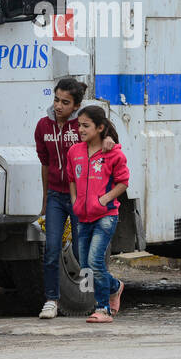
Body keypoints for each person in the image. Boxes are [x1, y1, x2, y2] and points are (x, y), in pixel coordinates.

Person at [33, 79, 114, 319]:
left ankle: (111, 289)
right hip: (56, 197)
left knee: (84, 255)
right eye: (56, 99)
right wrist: (45, 200)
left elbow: (105, 139)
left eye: (65, 102)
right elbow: (45, 164)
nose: (58, 106)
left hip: (81, 197)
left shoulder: (82, 126)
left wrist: (108, 140)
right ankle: (51, 300)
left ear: (76, 105)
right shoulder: (43, 126)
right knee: (51, 249)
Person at [68, 105, 130, 323]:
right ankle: (115, 287)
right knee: (85, 266)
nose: (81, 130)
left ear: (100, 127)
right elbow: (72, 179)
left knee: (95, 261)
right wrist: (75, 202)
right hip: (82, 217)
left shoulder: (112, 153)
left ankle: (103, 310)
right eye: (79, 126)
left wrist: (103, 200)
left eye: (86, 126)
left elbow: (123, 182)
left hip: (106, 215)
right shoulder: (74, 152)